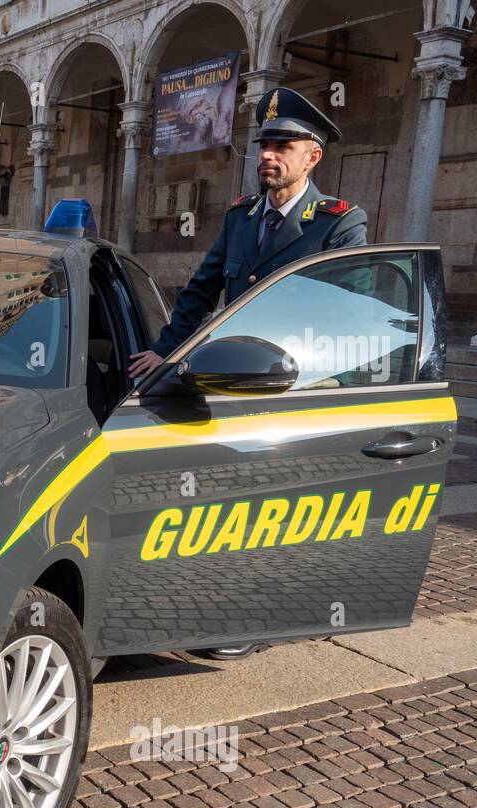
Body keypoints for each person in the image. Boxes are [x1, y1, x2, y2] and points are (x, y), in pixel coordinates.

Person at [129, 86, 369, 661]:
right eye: (263, 144)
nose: (267, 154)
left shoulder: (338, 223)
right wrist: (166, 352)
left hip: (291, 387)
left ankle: (253, 618)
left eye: (282, 145)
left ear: (312, 157)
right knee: (224, 506)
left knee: (274, 513)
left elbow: (348, 313)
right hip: (229, 380)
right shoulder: (241, 219)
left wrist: (313, 376)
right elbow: (199, 293)